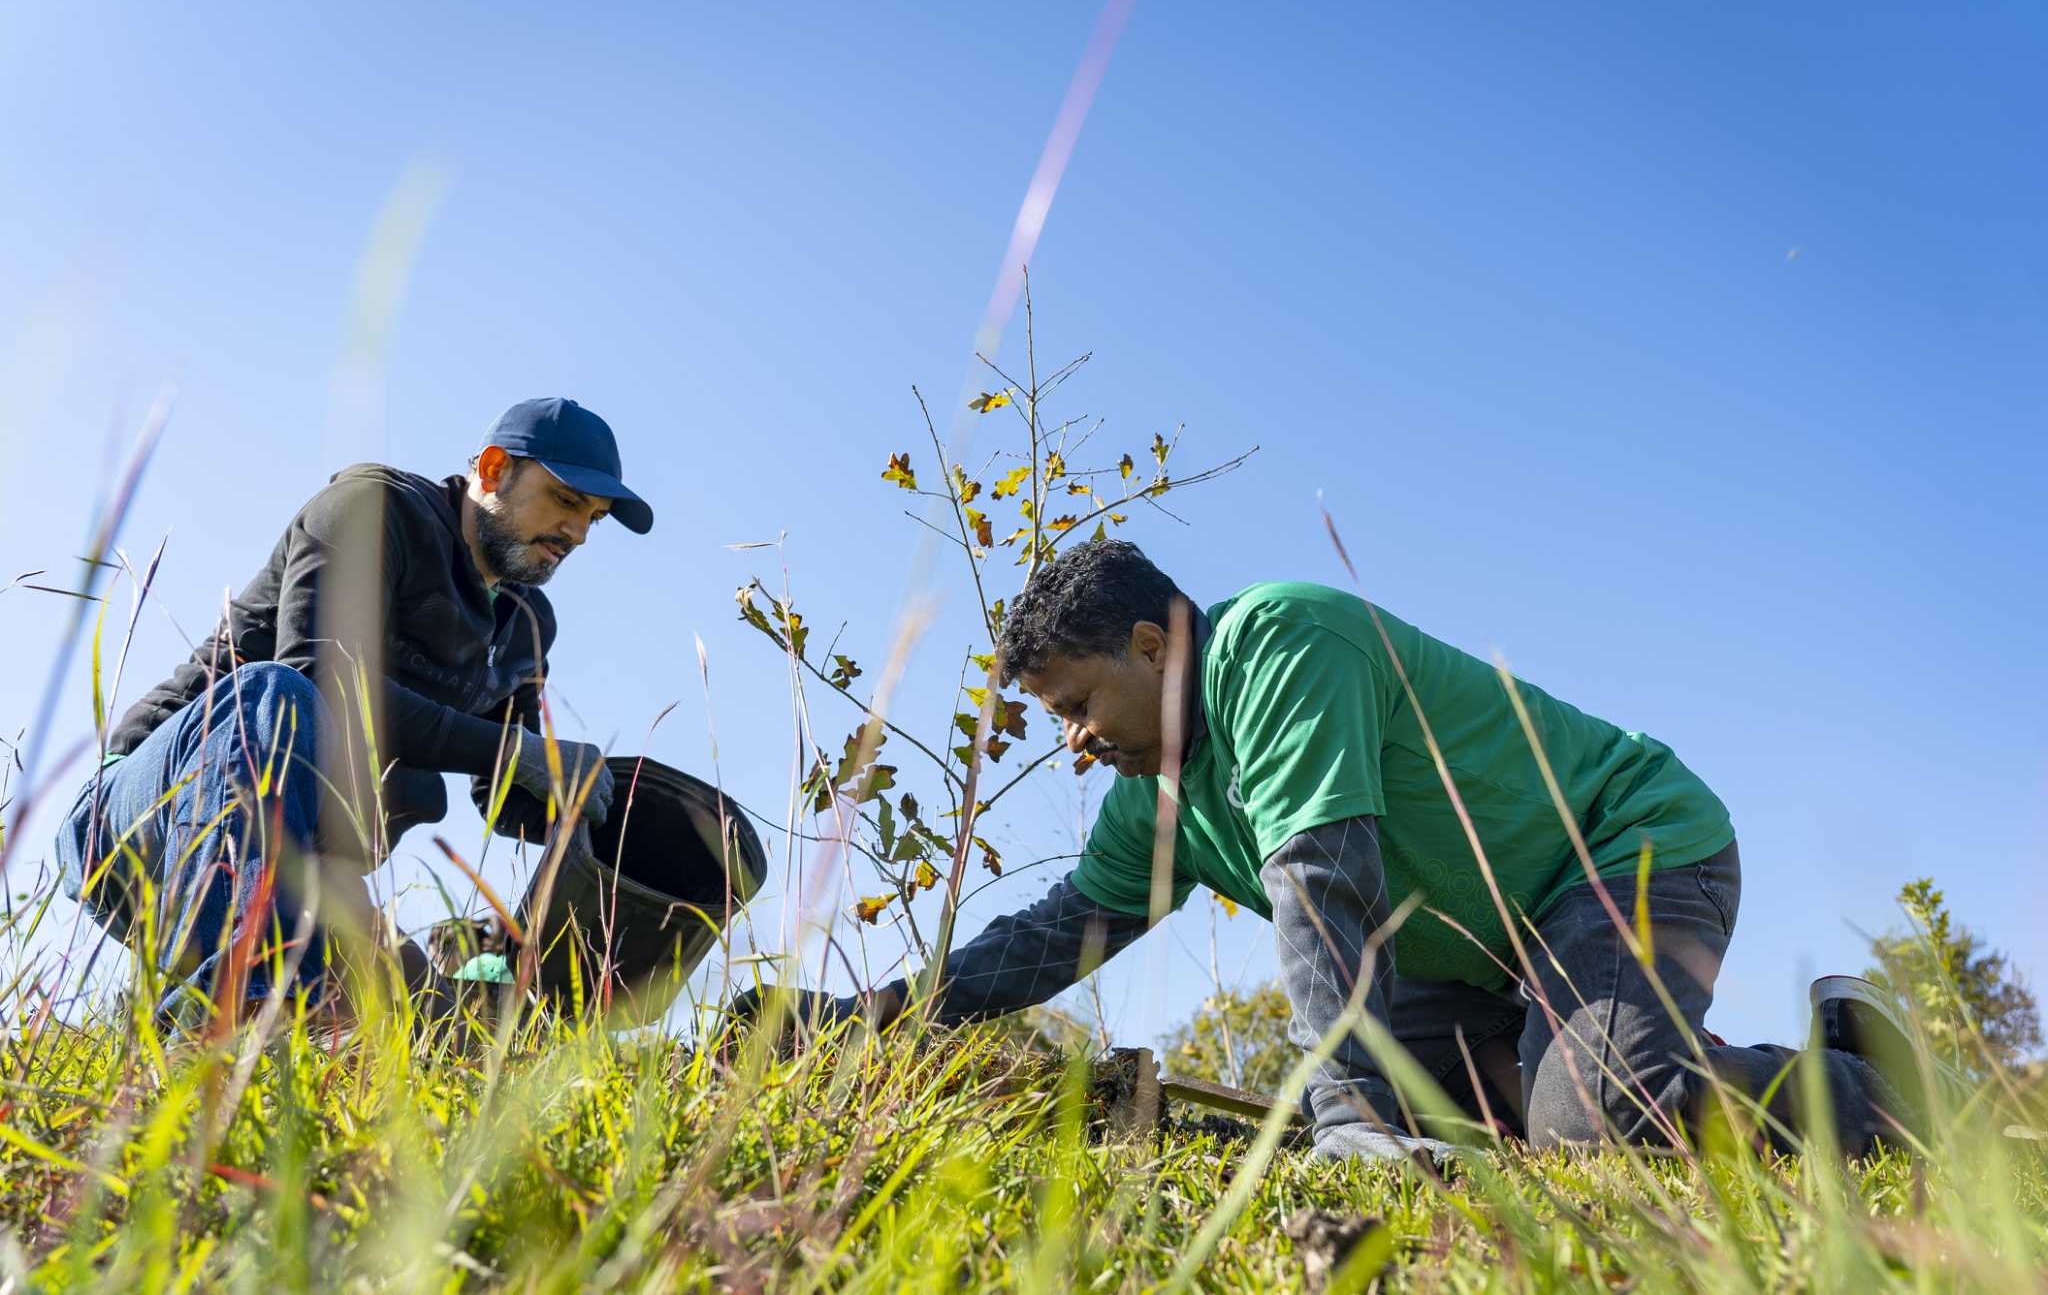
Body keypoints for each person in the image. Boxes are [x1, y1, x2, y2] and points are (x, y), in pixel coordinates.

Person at [766, 539, 1920, 1158]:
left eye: (1075, 705)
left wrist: (1347, 1113)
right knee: (1447, 1126)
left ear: (1150, 646)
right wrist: (876, 1011)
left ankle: (1889, 1093)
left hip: (1624, 848)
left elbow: (1321, 880)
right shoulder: (1153, 800)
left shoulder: (1278, 641)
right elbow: (1048, 938)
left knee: (1591, 1120)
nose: (1073, 738)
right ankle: (1709, 1050)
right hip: (1487, 951)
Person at [54, 397, 652, 1027]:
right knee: (278, 692)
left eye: (593, 518)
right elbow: (319, 676)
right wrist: (513, 751)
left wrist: (610, 814)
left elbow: (507, 793)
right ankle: (225, 1017)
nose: (577, 533)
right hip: (139, 821)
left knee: (442, 1031)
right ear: (495, 468)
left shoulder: (524, 621)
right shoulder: (374, 510)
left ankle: (247, 1002)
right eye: (565, 500)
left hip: (304, 871)